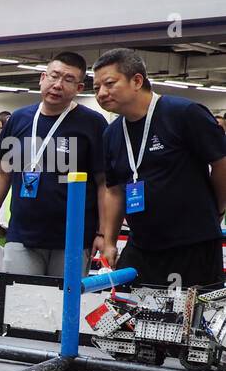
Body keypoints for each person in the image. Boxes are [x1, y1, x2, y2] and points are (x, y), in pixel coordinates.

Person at [95, 48, 226, 288]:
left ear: (137, 81)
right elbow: (113, 191)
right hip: (142, 245)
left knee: (188, 321)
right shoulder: (111, 134)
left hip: (192, 243)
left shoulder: (183, 114)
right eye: (96, 89)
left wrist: (217, 209)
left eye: (109, 83)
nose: (102, 93)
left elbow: (221, 163)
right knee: (128, 316)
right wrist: (110, 240)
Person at [0, 54, 108, 276]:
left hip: (73, 238)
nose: (57, 85)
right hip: (22, 235)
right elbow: (2, 174)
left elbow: (104, 183)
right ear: (42, 78)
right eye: (54, 76)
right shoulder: (19, 119)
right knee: (21, 302)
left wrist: (103, 233)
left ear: (79, 87)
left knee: (62, 305)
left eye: (68, 79)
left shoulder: (92, 124)